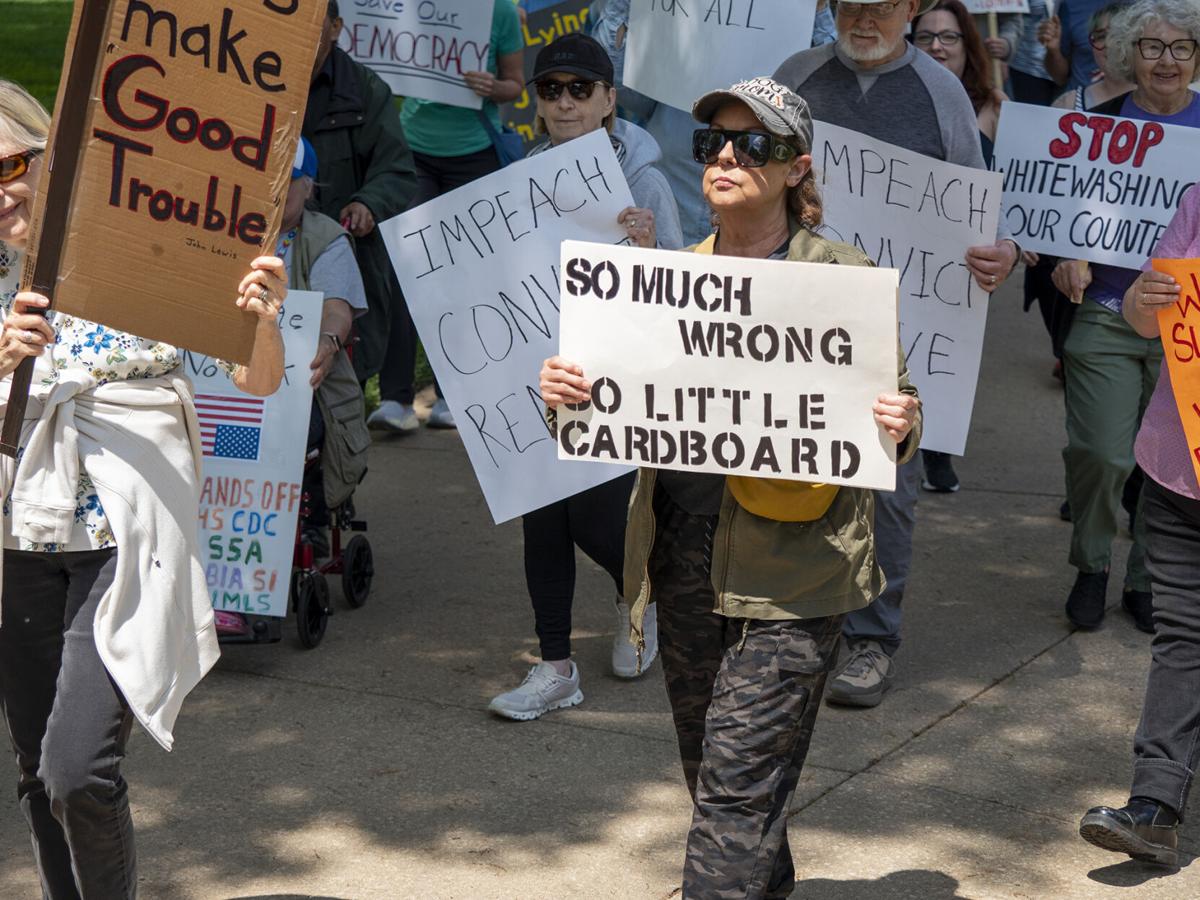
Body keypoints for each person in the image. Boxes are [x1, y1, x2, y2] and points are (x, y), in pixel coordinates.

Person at [540, 77, 921, 899]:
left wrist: (898, 419)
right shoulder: (664, 283)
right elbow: (601, 420)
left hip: (794, 573)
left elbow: (894, 418)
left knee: (735, 788)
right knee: (717, 773)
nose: (725, 157)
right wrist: (565, 399)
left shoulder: (842, 281)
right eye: (711, 142)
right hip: (682, 560)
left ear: (795, 168)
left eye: (753, 145)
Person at [0, 79, 286, 898]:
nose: (3, 190)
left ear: (50, 155)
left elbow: (256, 380)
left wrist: (262, 320)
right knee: (34, 769)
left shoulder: (139, 243)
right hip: (18, 538)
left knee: (74, 770)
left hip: (122, 539)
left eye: (13, 162)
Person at [773, 0, 1020, 706]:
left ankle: (872, 642)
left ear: (910, 8)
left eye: (881, 5)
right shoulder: (796, 77)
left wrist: (997, 253)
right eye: (849, 3)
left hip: (903, 327)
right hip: (801, 323)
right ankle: (799, 628)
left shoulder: (941, 91)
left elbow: (978, 211)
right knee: (796, 474)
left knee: (888, 486)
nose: (863, 17)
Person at [488, 33, 682, 720]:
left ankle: (643, 593)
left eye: (580, 89)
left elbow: (690, 292)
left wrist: (652, 249)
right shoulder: (525, 172)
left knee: (600, 521)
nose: (564, 102)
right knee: (540, 513)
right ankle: (555, 665)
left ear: (608, 99)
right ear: (536, 102)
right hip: (545, 373)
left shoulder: (647, 179)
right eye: (550, 89)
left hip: (620, 381)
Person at [1050, 0, 1200, 634]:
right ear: (1125, 55)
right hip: (1110, 311)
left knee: (1170, 464)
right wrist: (1063, 255)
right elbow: (1049, 210)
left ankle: (1145, 581)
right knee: (1103, 453)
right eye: (1151, 47)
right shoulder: (1095, 124)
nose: (1165, 60)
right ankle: (1091, 566)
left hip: (1188, 325)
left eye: (1180, 47)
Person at [1077, 182, 1200, 868]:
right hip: (1178, 469)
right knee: (1183, 637)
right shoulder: (1197, 202)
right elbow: (1141, 317)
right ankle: (1153, 809)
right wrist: (1143, 299)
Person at [370, 0, 525, 432]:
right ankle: (395, 400)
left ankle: (454, 397)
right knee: (406, 274)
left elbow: (517, 84)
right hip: (415, 152)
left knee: (466, 280)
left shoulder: (501, 12)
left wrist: (493, 87)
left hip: (475, 156)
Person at [590, 0, 838, 248]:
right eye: (714, 136)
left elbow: (828, 94)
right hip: (671, 243)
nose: (725, 154)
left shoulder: (789, 44)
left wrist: (816, 11)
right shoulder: (673, 61)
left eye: (751, 141)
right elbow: (617, 85)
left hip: (762, 252)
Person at [303, 1, 417, 386]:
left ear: (335, 28)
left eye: (310, 22)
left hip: (343, 250)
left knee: (335, 377)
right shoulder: (250, 77)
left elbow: (396, 170)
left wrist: (368, 202)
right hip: (266, 253)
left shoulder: (366, 91)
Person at [912, 0, 1006, 164]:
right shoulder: (897, 101)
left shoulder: (994, 103)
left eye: (948, 37)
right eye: (924, 37)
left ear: (967, 47)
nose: (935, 46)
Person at [1050, 1, 1136, 109]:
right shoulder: (1067, 105)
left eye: (1118, 35)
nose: (1109, 43)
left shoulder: (1158, 104)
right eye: (1101, 36)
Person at [1040, 0, 1117, 88]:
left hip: (1126, 97)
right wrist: (1054, 51)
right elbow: (1060, 78)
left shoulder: (1135, 9)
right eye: (1100, 37)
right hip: (1080, 96)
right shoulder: (1071, 5)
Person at [1010, 0, 1060, 105]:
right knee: (1030, 119)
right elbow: (1009, 18)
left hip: (1067, 67)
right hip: (1029, 66)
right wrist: (1003, 59)